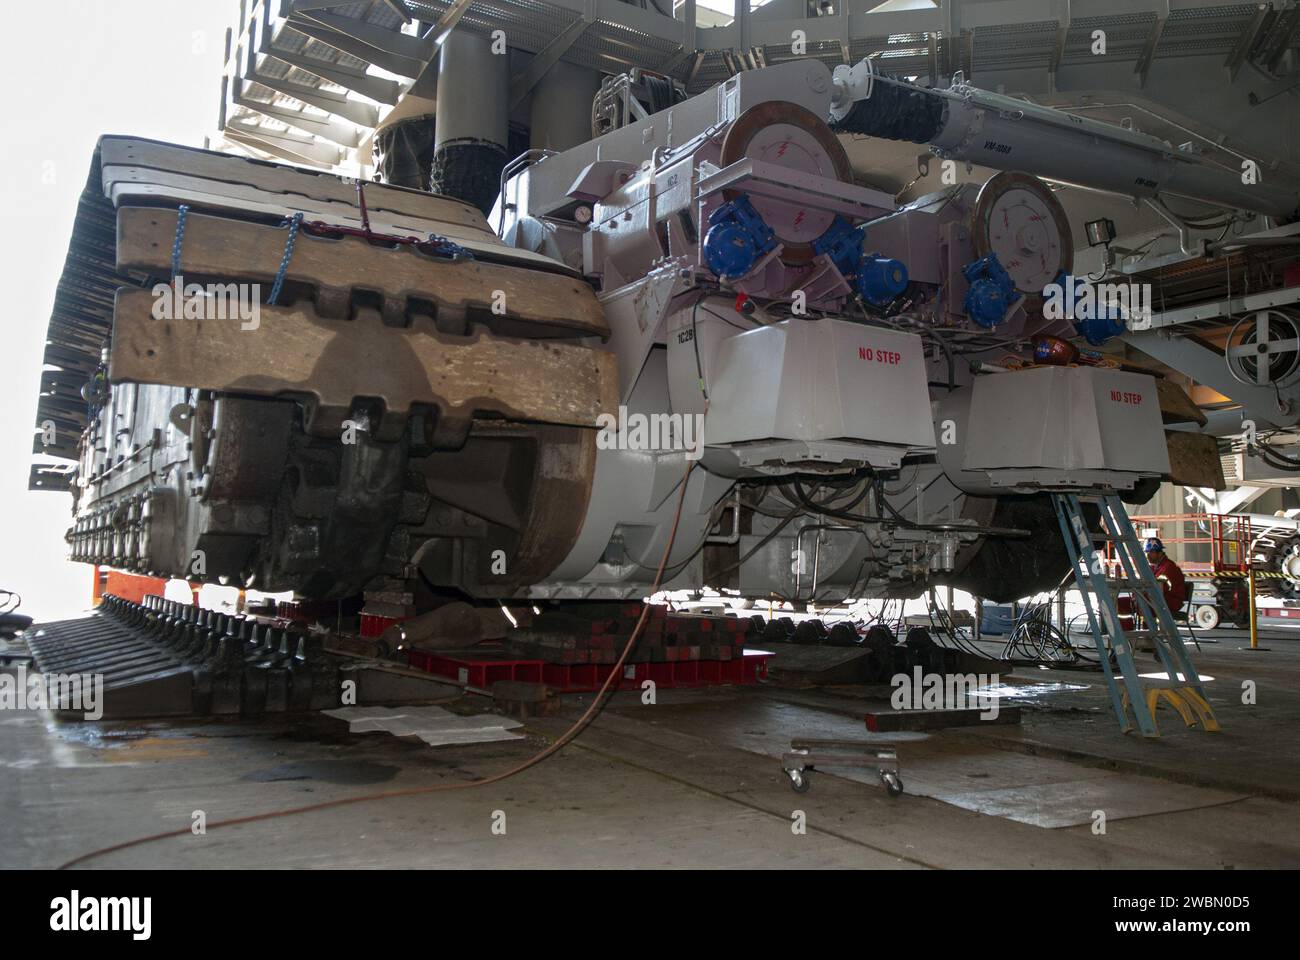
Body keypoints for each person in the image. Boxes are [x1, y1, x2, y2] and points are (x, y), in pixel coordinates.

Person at [1144, 537, 1187, 615]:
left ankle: (1149, 627)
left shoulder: (1169, 568)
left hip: (1170, 601)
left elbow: (1159, 588)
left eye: (1151, 552)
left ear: (1160, 553)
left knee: (1141, 604)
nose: (1148, 555)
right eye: (1147, 552)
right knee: (1129, 602)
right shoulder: (1155, 567)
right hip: (1161, 600)